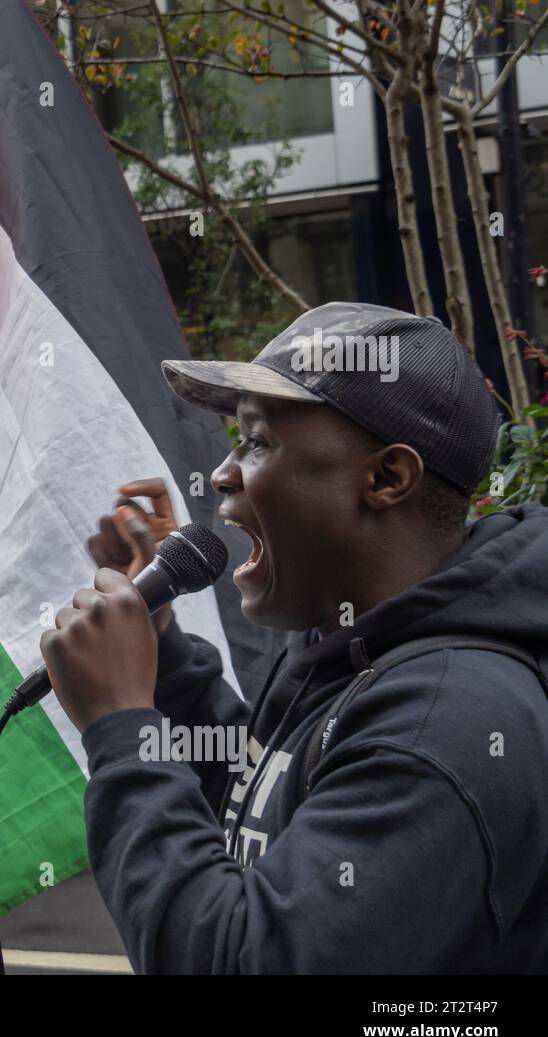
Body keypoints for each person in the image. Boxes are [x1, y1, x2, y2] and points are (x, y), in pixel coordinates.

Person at [40, 302, 548, 974]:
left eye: (255, 441)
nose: (221, 474)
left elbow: (237, 961)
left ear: (387, 477)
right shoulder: (343, 652)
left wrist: (122, 726)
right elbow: (257, 811)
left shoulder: (446, 726)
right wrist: (161, 659)